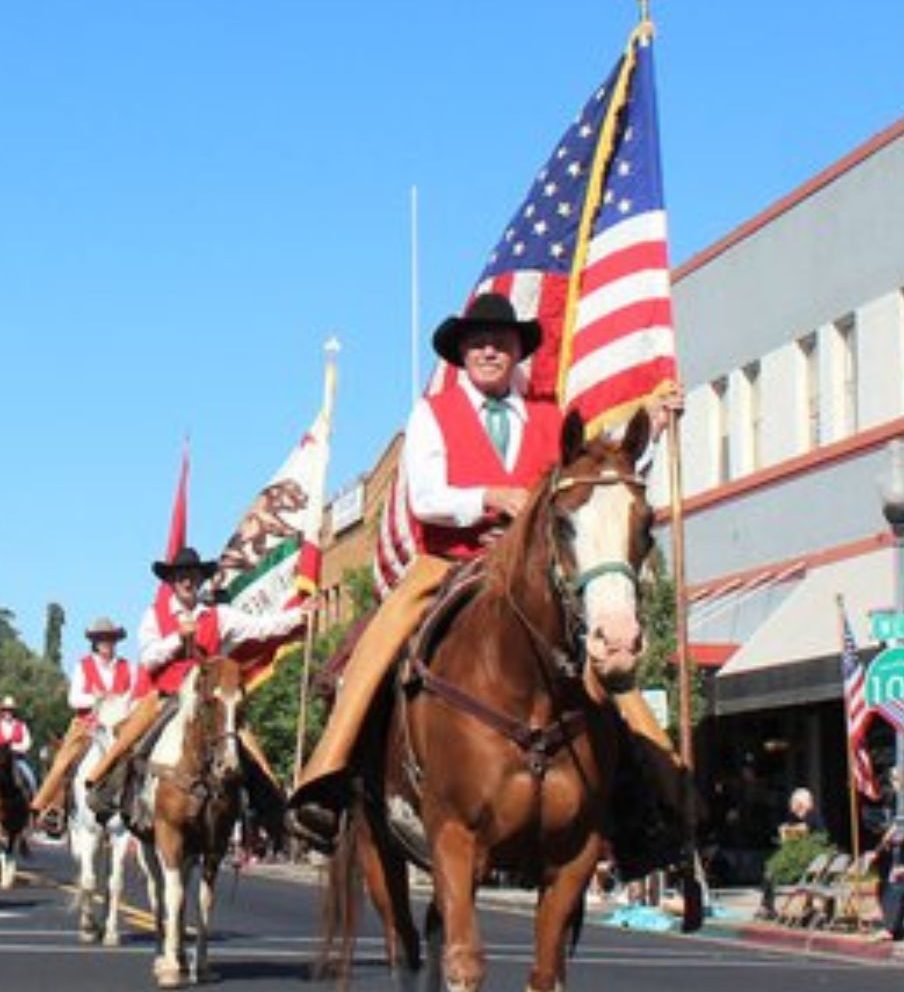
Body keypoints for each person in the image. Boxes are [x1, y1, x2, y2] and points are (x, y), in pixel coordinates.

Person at [286, 292, 685, 856]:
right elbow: (425, 497)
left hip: (532, 567)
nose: (490, 351)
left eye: (501, 342)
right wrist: (491, 497)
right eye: (478, 344)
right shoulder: (432, 414)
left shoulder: (551, 416)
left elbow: (598, 483)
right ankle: (329, 773)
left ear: (518, 350)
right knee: (377, 644)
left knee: (609, 657)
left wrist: (657, 426)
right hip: (450, 559)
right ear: (463, 354)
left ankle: (657, 800)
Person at [82, 546, 301, 828]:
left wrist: (299, 615)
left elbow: (261, 627)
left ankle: (272, 812)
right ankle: (110, 792)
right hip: (167, 697)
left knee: (245, 746)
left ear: (200, 580)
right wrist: (177, 639)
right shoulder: (154, 616)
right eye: (182, 576)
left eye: (193, 576)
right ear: (172, 582)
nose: (188, 581)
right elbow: (148, 659)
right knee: (136, 744)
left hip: (207, 698)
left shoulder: (218, 615)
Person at [35, 617, 140, 821]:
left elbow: (135, 698)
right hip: (88, 725)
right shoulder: (83, 666)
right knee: (64, 760)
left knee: (142, 757)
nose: (107, 643)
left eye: (110, 639)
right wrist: (97, 698)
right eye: (102, 639)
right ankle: (54, 807)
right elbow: (74, 699)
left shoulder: (129, 667)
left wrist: (124, 705)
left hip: (119, 727)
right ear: (95, 642)